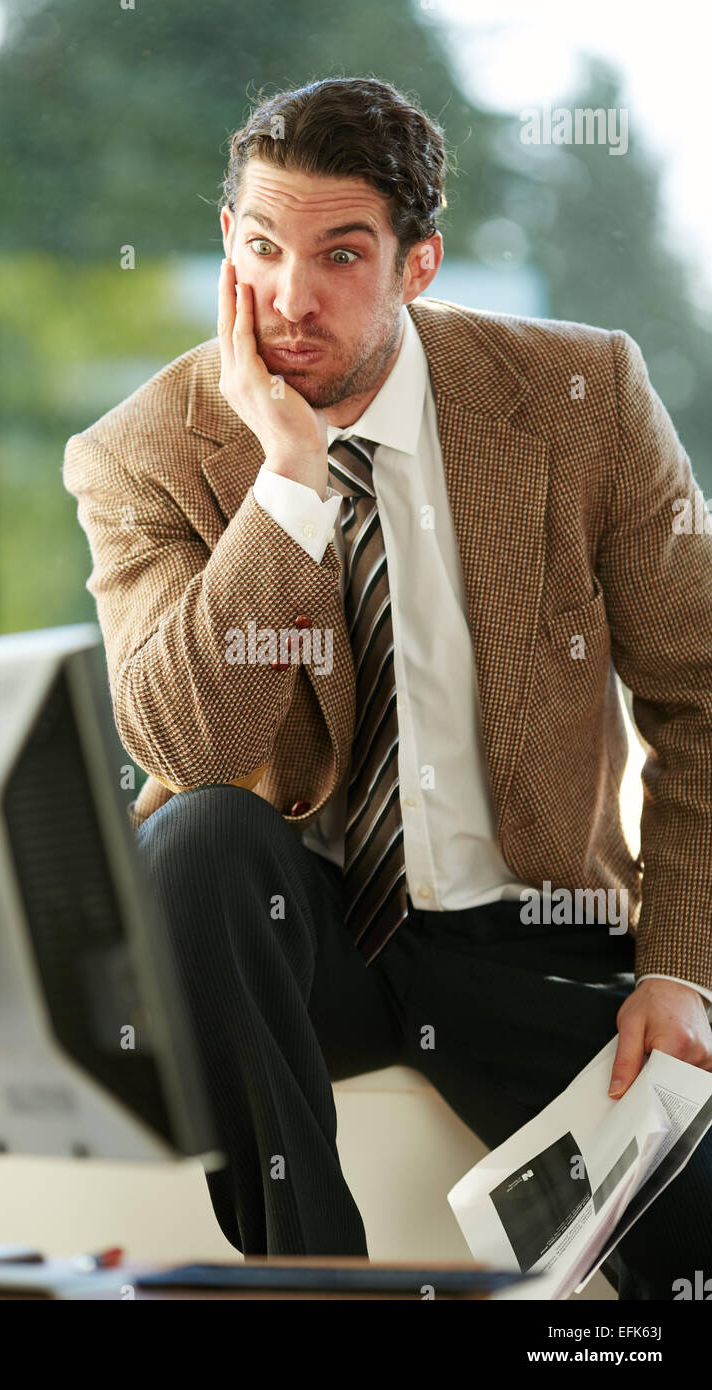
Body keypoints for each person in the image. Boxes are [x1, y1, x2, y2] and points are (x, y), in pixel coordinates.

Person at [63, 76, 712, 1297]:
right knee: (198, 835)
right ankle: (313, 1294)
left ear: (418, 264)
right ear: (226, 244)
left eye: (339, 255)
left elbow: (700, 690)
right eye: (261, 247)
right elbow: (182, 742)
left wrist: (680, 965)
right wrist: (288, 486)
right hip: (294, 944)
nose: (289, 297)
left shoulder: (582, 400)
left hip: (529, 928)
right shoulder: (140, 454)